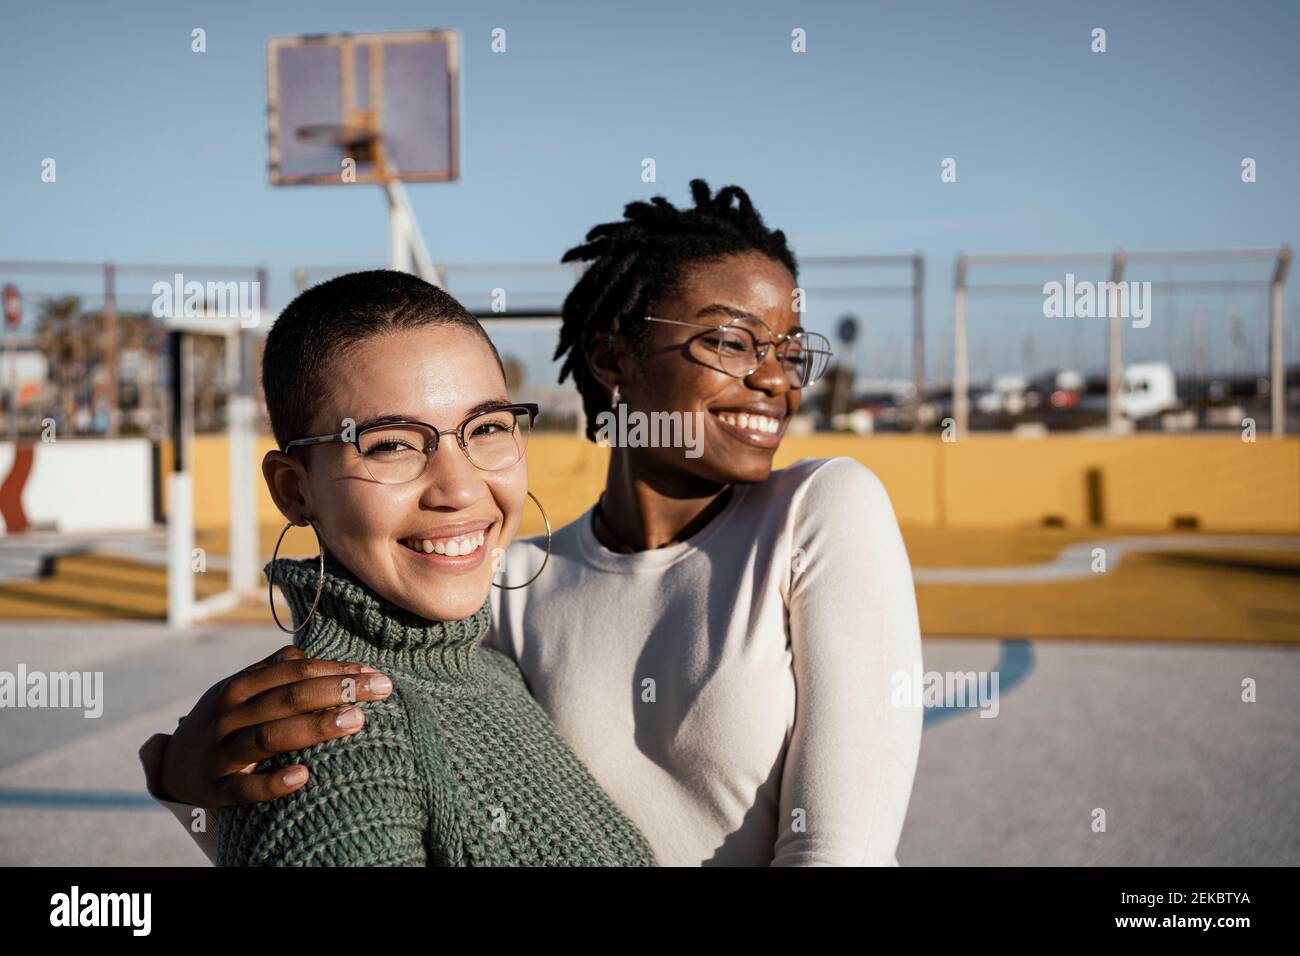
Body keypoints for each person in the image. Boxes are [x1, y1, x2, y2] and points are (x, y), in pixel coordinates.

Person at [141, 180, 923, 866]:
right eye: (729, 340)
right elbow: (400, 787)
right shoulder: (509, 582)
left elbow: (837, 852)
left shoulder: (820, 510)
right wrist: (200, 784)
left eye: (789, 348)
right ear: (613, 356)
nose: (775, 377)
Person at [159, 270, 656, 866]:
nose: (459, 488)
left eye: (489, 427)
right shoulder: (336, 735)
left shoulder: (490, 673)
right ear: (294, 490)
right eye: (391, 443)